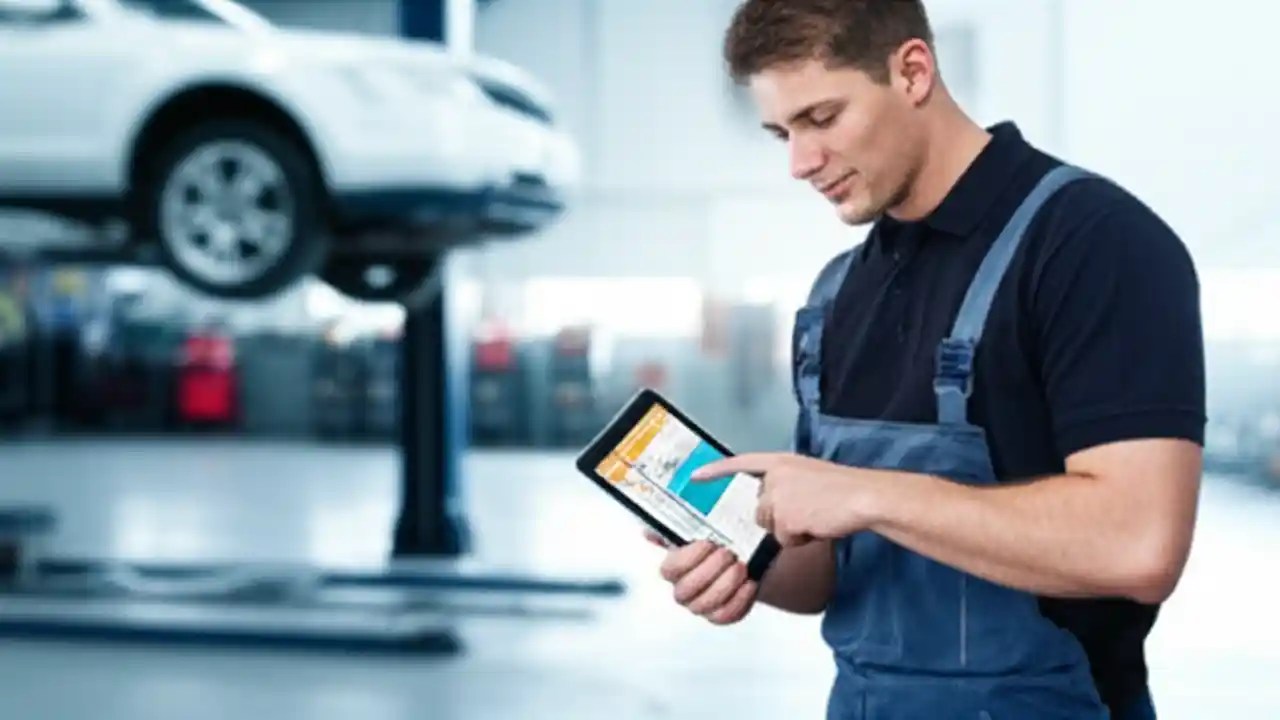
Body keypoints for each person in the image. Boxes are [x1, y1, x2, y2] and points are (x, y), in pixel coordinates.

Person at [649, 2, 1205, 719]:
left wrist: (868, 492)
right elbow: (826, 574)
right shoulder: (836, 294)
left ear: (912, 70)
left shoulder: (1094, 244)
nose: (799, 163)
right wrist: (749, 563)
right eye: (781, 132)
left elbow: (1139, 544)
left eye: (821, 118)